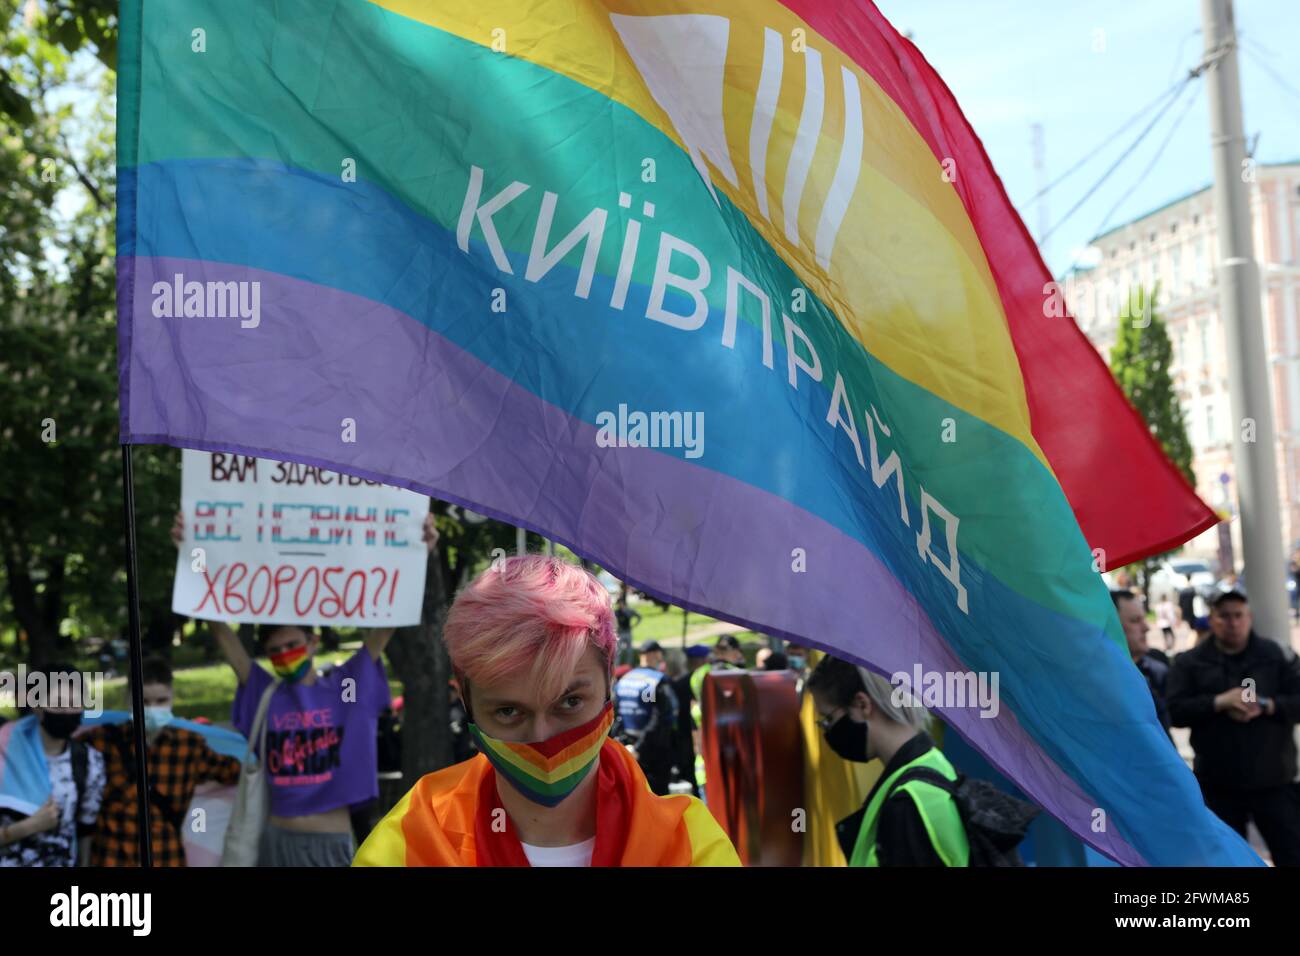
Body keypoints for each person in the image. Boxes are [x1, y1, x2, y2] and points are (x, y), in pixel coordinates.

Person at [354, 555, 739, 866]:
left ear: (608, 682)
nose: (543, 738)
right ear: (468, 704)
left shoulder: (689, 847)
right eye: (508, 711)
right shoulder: (411, 843)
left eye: (569, 702)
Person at [171, 510, 438, 866]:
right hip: (276, 843)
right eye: (275, 652)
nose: (284, 656)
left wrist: (418, 553)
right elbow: (220, 630)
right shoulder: (265, 694)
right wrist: (191, 554)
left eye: (292, 645)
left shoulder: (348, 686)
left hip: (329, 846)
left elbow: (386, 623)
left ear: (313, 642)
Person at [1166, 590, 1300, 866]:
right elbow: (1173, 710)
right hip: (1218, 783)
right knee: (1224, 860)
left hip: (1274, 779)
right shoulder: (1191, 662)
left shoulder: (1275, 655)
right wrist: (1219, 702)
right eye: (1224, 616)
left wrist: (1268, 705)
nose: (1233, 623)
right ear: (1212, 620)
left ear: (1249, 617)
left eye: (1238, 615)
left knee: (1291, 853)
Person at [806, 655, 967, 866]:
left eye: (828, 719)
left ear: (862, 704)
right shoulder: (931, 765)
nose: (827, 731)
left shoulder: (908, 803)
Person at [81, 656, 243, 866]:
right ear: (127, 699)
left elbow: (240, 773)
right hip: (112, 858)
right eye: (143, 701)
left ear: (172, 698)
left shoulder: (189, 746)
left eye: (160, 701)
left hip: (165, 857)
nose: (151, 709)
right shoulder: (102, 740)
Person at [0, 662, 106, 867]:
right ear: (37, 706)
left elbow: (86, 830)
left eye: (75, 702)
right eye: (58, 702)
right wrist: (29, 826)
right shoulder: (5, 756)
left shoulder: (88, 762)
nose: (67, 710)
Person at [613, 652, 680, 795]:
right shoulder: (651, 681)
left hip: (628, 747)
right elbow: (658, 718)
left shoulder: (625, 679)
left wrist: (623, 745)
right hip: (652, 752)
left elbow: (616, 715)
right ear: (654, 655)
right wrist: (639, 748)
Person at [1112, 590, 1171, 734]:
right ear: (1112, 626)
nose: (1146, 627)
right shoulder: (1098, 680)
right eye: (1135, 620)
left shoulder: (1157, 667)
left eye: (1143, 619)